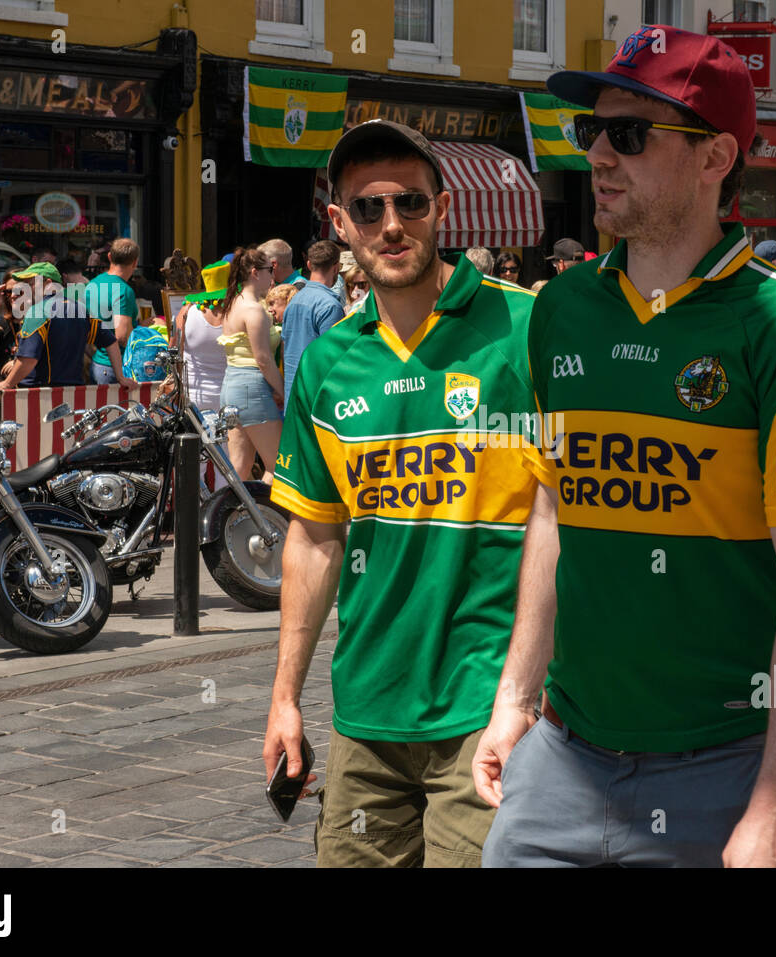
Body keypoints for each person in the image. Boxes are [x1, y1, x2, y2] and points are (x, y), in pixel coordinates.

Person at [474, 25, 776, 868]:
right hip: (560, 760)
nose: (599, 156)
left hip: (718, 771)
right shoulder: (560, 307)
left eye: (630, 134)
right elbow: (553, 506)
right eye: (591, 132)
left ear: (716, 156)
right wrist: (513, 698)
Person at [262, 118, 538, 867]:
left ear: (443, 208)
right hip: (367, 715)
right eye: (369, 208)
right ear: (339, 223)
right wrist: (286, 696)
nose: (391, 225)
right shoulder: (326, 364)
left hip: (490, 709)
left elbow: (576, 515)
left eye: (410, 204)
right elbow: (315, 539)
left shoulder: (527, 331)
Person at [0, 263, 132, 391]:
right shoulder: (80, 309)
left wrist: (7, 383)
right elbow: (111, 342)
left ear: (48, 283)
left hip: (39, 394)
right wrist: (120, 377)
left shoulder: (38, 312)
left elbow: (29, 360)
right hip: (74, 392)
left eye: (30, 284)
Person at [218, 246, 283, 481]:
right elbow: (263, 359)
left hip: (232, 388)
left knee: (239, 467)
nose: (272, 276)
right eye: (270, 270)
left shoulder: (234, 302)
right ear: (255, 272)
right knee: (279, 466)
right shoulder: (254, 309)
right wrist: (283, 390)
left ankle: (234, 516)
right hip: (251, 389)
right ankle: (264, 517)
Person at [280, 239, 343, 407]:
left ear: (308, 264)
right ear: (336, 267)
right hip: (316, 399)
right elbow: (332, 358)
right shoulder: (330, 306)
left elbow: (284, 347)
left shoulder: (293, 300)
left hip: (293, 396)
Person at [85, 237, 139, 385]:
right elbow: (121, 337)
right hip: (115, 368)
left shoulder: (92, 284)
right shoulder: (124, 291)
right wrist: (143, 329)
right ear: (135, 262)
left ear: (109, 257)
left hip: (96, 363)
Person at [177, 258, 228, 414]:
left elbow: (175, 350)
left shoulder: (186, 312)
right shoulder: (238, 313)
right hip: (229, 395)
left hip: (193, 395)